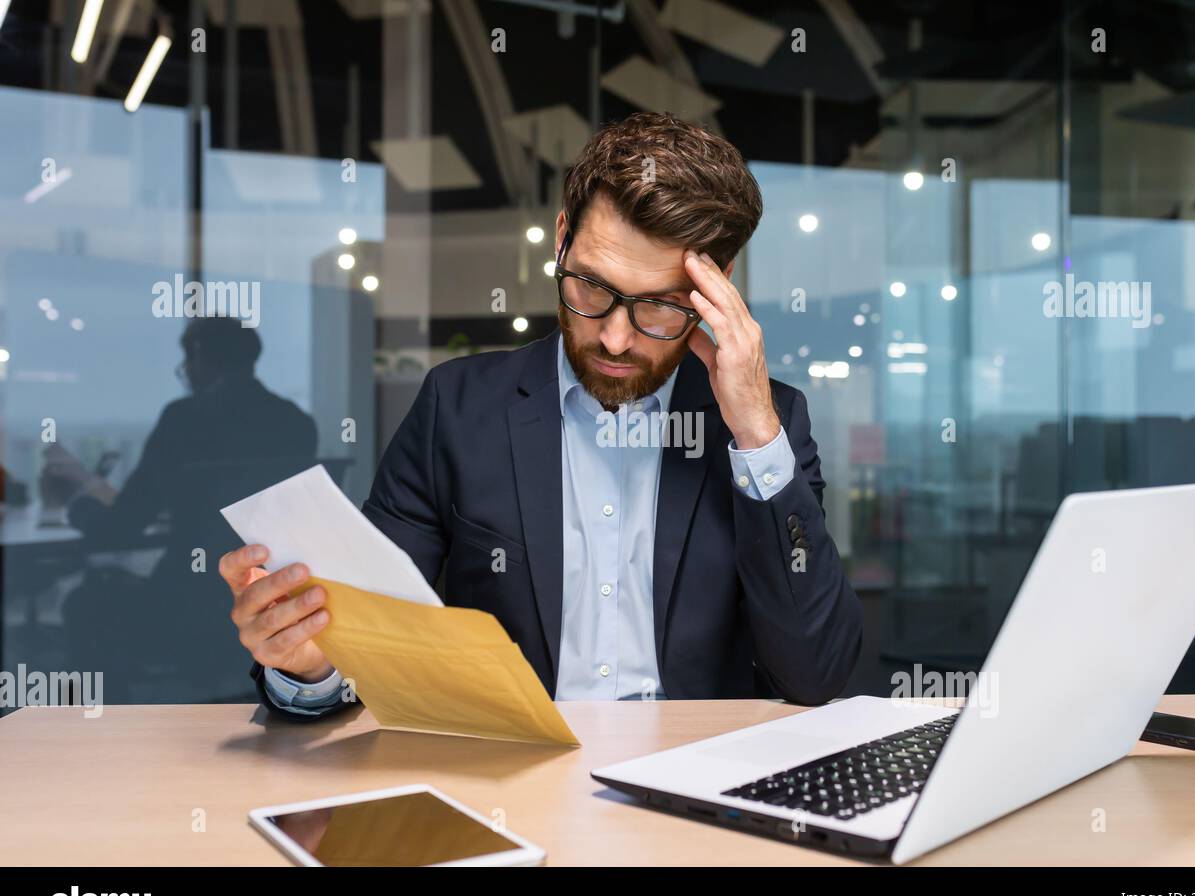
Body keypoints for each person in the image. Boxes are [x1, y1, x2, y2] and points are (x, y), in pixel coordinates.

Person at [220, 111, 862, 717]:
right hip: (510, 783)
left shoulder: (768, 426)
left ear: (716, 288)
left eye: (660, 306)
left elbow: (815, 673)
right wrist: (312, 667)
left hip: (690, 792)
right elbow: (371, 633)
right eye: (591, 286)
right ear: (561, 240)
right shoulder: (459, 407)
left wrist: (755, 433)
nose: (614, 338)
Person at [48, 316, 317, 701]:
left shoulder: (184, 419)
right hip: (271, 602)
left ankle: (99, 728)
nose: (186, 373)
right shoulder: (297, 423)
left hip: (185, 603)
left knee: (87, 603)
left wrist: (77, 504)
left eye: (186, 362)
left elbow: (123, 527)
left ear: (200, 356)